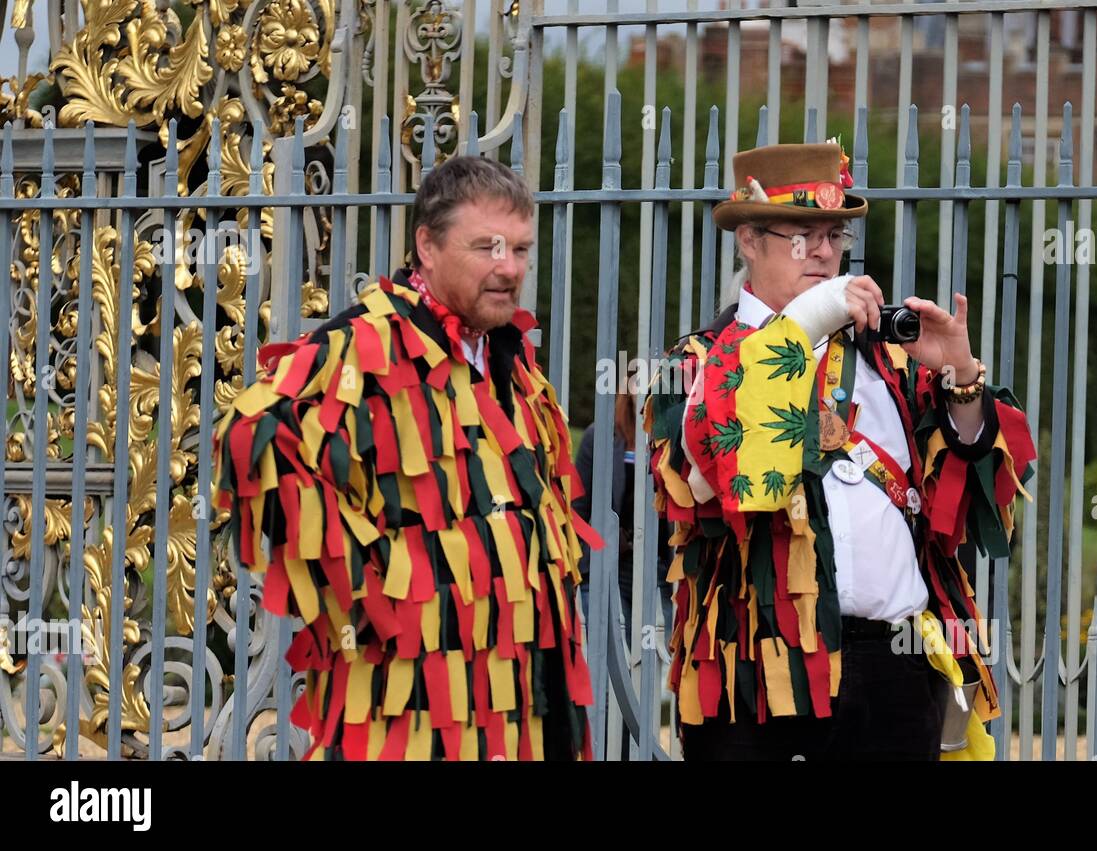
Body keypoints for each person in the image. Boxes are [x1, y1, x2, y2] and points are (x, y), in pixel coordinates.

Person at [644, 141, 1037, 760]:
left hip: (896, 667)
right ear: (748, 240)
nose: (823, 250)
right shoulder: (697, 361)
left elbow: (968, 503)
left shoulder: (892, 362)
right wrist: (806, 322)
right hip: (755, 664)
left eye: (834, 233)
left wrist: (961, 377)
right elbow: (721, 478)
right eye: (800, 234)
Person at [214, 155, 598, 760]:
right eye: (488, 247)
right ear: (426, 244)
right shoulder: (360, 345)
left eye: (521, 250)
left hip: (518, 699)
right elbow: (250, 440)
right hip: (402, 711)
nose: (510, 268)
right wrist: (368, 588)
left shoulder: (512, 360)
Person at [573, 377, 674, 758]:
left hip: (656, 567)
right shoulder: (603, 436)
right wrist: (587, 564)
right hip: (606, 567)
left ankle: (640, 746)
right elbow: (580, 507)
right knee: (604, 662)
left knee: (653, 661)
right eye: (635, 378)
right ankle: (602, 747)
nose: (642, 385)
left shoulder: (666, 432)